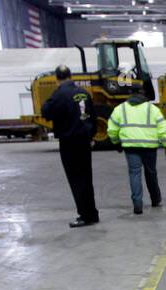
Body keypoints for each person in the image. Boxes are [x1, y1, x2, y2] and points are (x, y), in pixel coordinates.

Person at [40, 66, 99, 228]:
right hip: (85, 141)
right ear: (70, 76)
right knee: (87, 178)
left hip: (70, 142)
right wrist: (91, 136)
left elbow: (46, 111)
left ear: (56, 78)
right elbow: (93, 117)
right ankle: (92, 213)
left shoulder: (59, 94)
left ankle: (85, 215)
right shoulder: (84, 93)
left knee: (76, 179)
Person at [106, 83, 166, 215]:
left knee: (134, 173)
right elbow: (162, 128)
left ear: (130, 93)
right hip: (149, 147)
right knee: (151, 173)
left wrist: (116, 143)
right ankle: (155, 199)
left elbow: (112, 129)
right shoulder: (152, 109)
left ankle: (137, 204)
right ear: (142, 92)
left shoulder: (120, 109)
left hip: (130, 147)